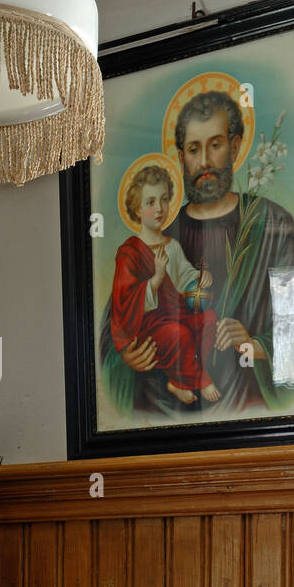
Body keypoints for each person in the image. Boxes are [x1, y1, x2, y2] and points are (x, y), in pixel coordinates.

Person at [102, 89, 294, 417]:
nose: (204, 162)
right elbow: (113, 327)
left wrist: (253, 345)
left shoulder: (272, 223)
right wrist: (127, 355)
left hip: (248, 416)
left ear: (236, 146)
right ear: (181, 156)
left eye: (215, 145)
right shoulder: (158, 234)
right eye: (194, 149)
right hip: (163, 419)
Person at [109, 163, 220, 405]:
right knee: (177, 334)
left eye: (164, 199)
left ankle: (178, 382)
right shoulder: (129, 252)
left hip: (176, 312)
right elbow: (124, 301)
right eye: (150, 202)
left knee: (209, 320)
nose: (159, 208)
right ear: (137, 209)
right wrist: (156, 279)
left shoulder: (172, 245)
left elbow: (184, 276)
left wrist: (198, 279)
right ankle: (201, 379)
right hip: (149, 325)